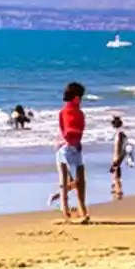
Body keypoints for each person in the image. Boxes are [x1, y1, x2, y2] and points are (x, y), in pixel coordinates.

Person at [50, 82, 89, 223]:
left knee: (76, 181)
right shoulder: (68, 112)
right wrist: (67, 140)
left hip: (73, 148)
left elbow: (74, 130)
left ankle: (74, 211)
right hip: (68, 148)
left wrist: (75, 141)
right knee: (76, 181)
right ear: (76, 97)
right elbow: (67, 130)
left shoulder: (77, 112)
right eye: (80, 97)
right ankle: (73, 211)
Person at [110, 116, 130, 197]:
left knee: (116, 173)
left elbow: (124, 144)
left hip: (117, 156)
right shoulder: (119, 133)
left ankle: (119, 190)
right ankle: (116, 188)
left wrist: (120, 157)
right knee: (115, 172)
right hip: (116, 155)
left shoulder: (120, 134)